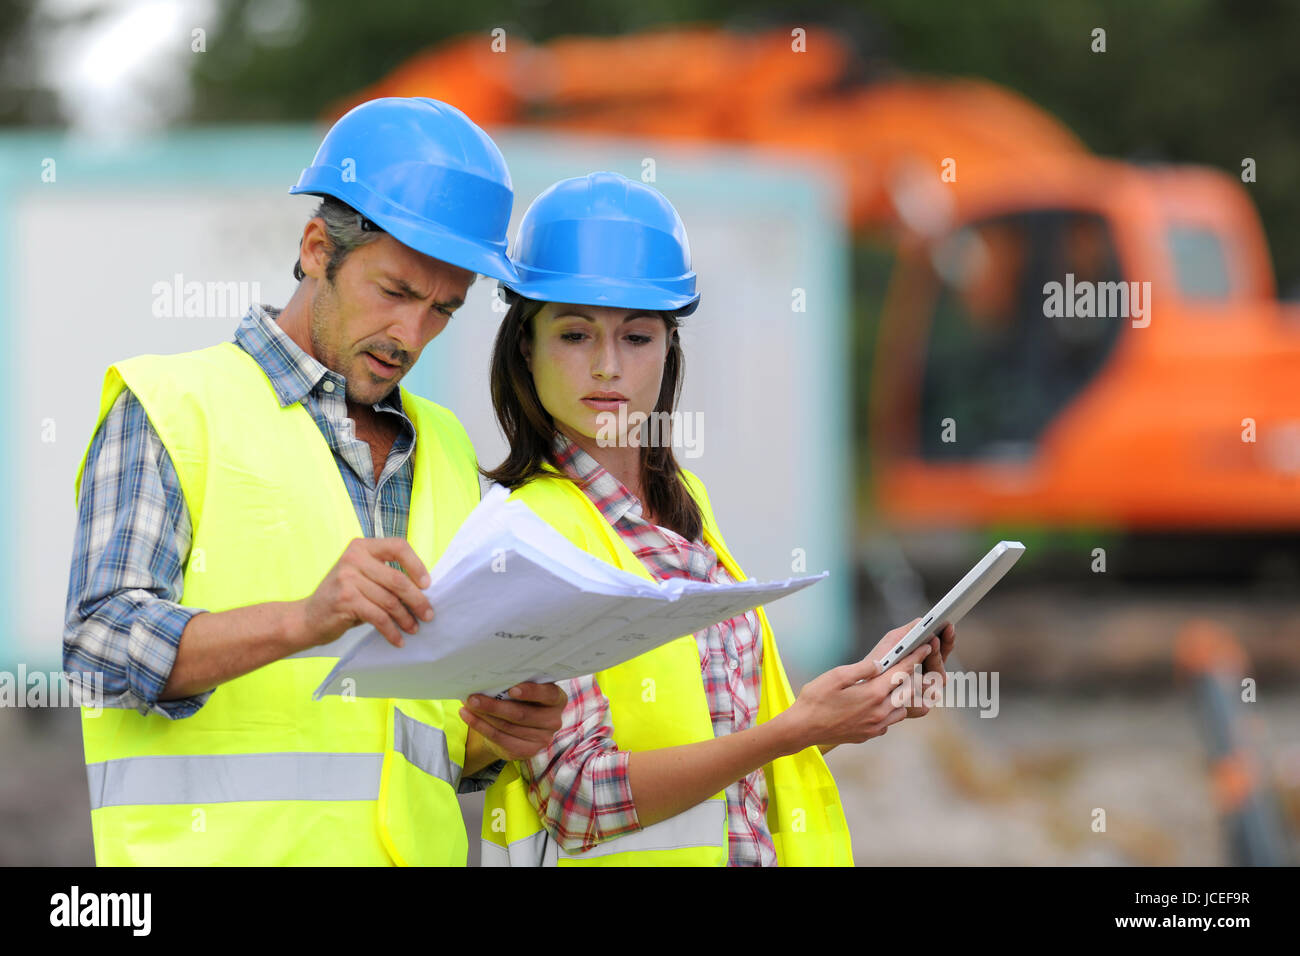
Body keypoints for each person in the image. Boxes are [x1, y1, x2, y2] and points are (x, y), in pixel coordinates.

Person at [62, 97, 566, 866]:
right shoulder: (172, 406)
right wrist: (303, 620)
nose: (411, 336)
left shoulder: (449, 448)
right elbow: (99, 644)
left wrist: (493, 736)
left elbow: (415, 744)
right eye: (395, 292)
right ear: (315, 249)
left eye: (443, 311)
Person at [476, 171, 956, 866]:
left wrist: (844, 707)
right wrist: (790, 732)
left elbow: (721, 739)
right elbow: (579, 798)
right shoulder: (532, 531)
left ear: (670, 348)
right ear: (526, 346)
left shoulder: (681, 508)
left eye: (637, 338)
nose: (607, 367)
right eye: (576, 334)